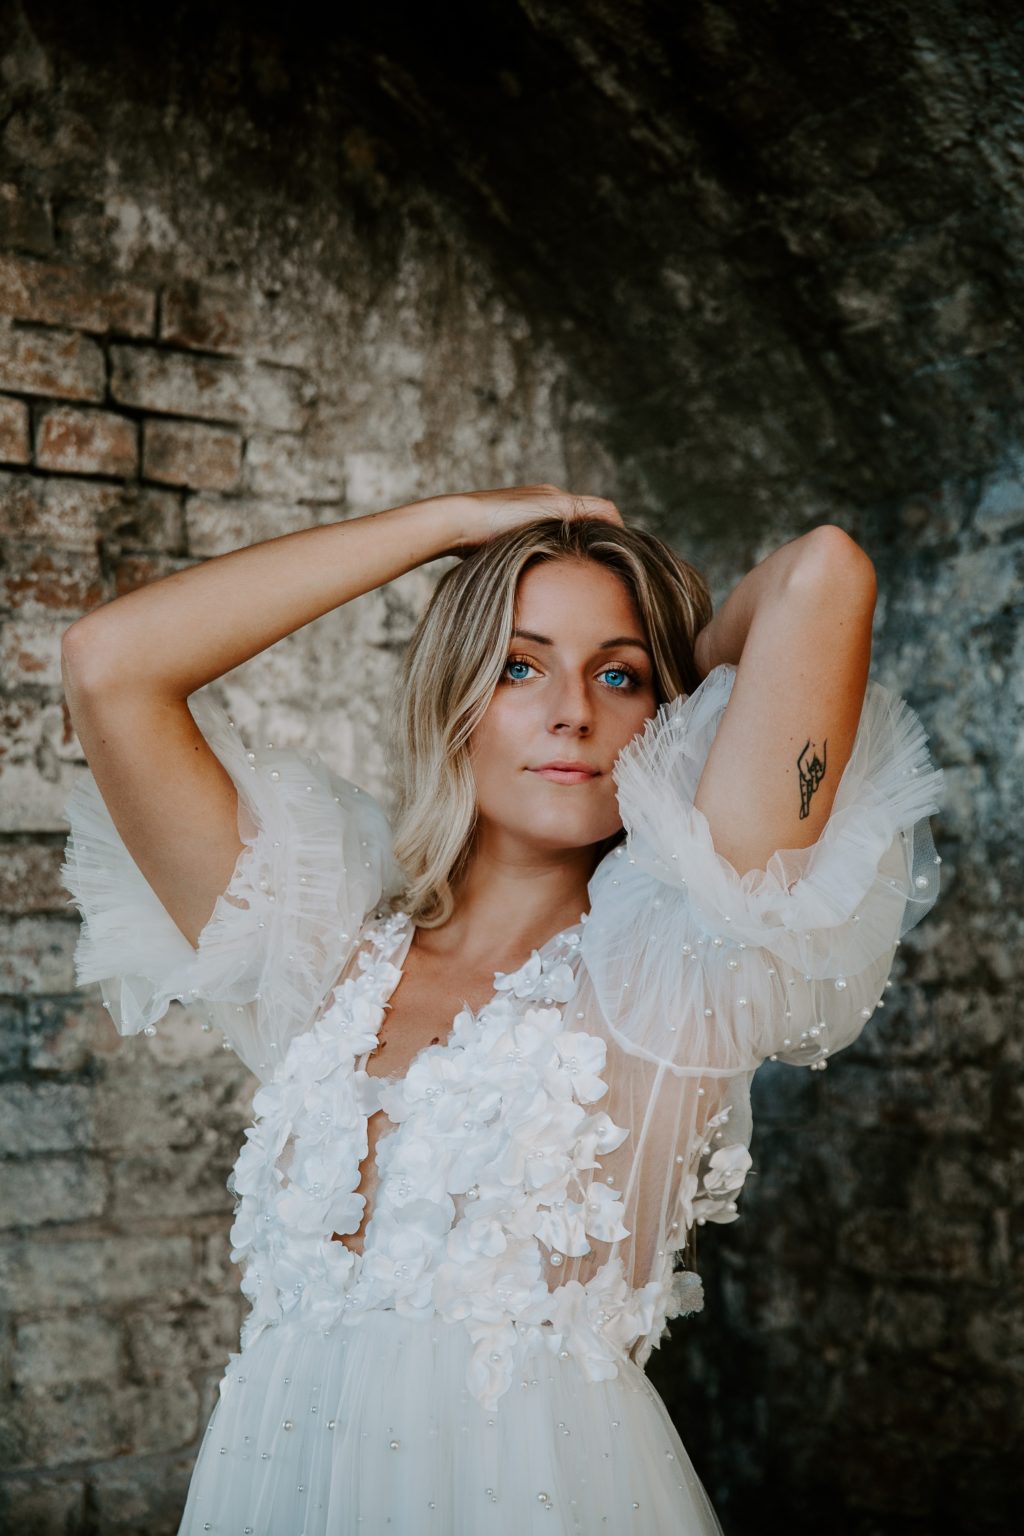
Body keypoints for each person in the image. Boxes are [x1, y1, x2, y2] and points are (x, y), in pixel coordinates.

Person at [59, 486, 944, 1534]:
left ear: (666, 716)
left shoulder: (678, 964)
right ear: (455, 702)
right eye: (519, 666)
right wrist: (440, 527)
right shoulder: (325, 946)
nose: (572, 710)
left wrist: (696, 670)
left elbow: (824, 572)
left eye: (617, 676)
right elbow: (109, 667)